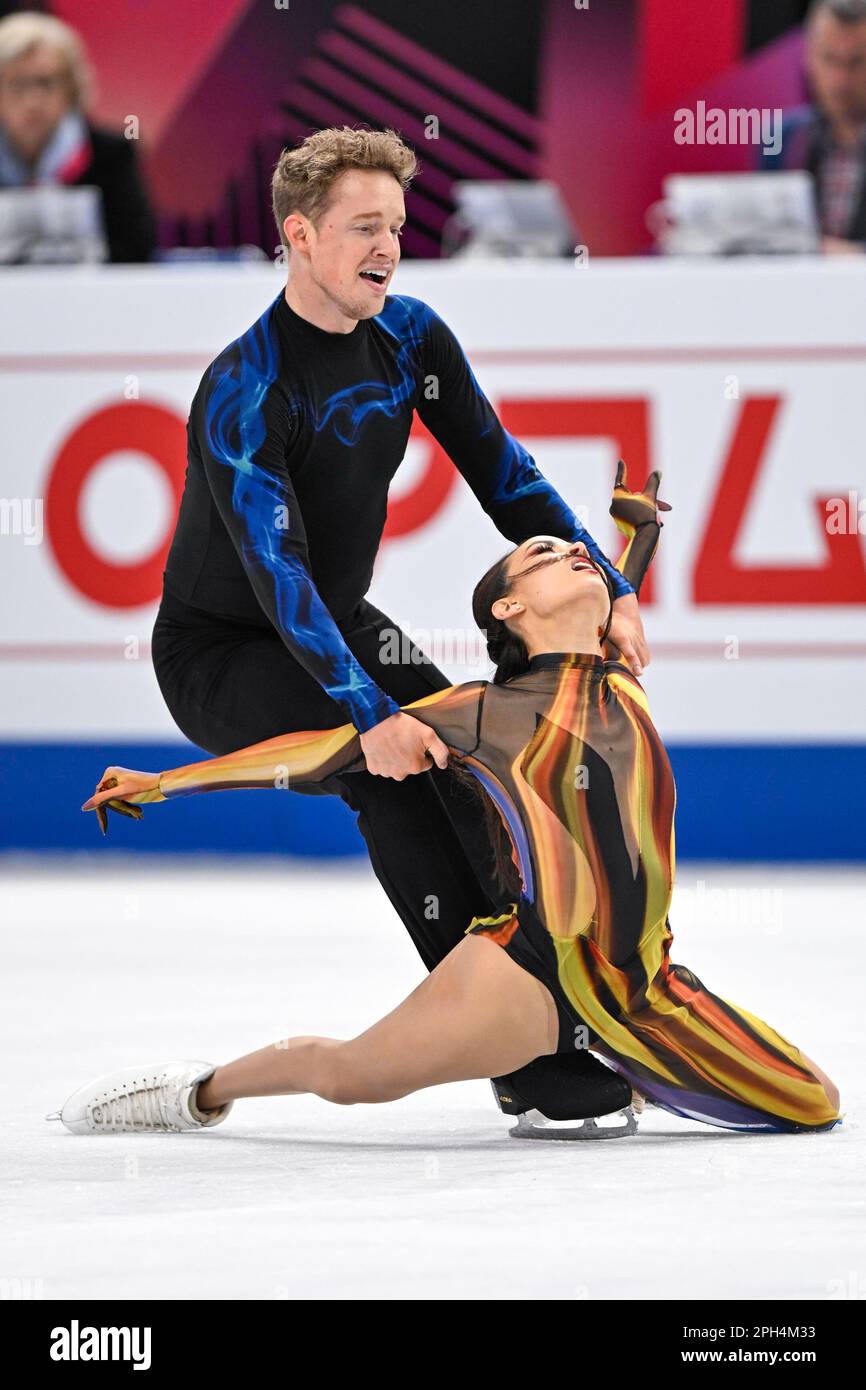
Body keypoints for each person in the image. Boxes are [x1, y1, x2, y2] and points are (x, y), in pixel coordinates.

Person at [52, 464, 841, 1138]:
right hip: (529, 976)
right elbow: (319, 750)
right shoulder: (481, 710)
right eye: (546, 551)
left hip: (647, 985)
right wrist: (164, 782)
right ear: (510, 608)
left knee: (816, 1103)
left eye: (579, 551)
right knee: (349, 1073)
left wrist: (633, 531)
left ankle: (611, 1068)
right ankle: (193, 1092)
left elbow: (619, 566)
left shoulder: (614, 668)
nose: (576, 551)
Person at [150, 124, 649, 1123]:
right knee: (395, 777)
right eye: (362, 227)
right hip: (223, 654)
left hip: (334, 624)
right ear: (297, 235)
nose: (387, 246)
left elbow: (504, 474)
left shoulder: (410, 338)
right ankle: (516, 1053)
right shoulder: (245, 389)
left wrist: (610, 582)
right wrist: (369, 713)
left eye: (397, 227)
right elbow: (276, 572)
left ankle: (547, 1017)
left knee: (470, 763)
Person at [0, 11, 156, 262]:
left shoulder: (111, 154)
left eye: (45, 83)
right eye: (17, 84)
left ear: (72, 88)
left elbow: (137, 249)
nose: (32, 101)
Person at [760, 0, 866, 254]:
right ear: (808, 58)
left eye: (857, 62)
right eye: (829, 59)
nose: (840, 79)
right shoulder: (782, 138)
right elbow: (765, 238)